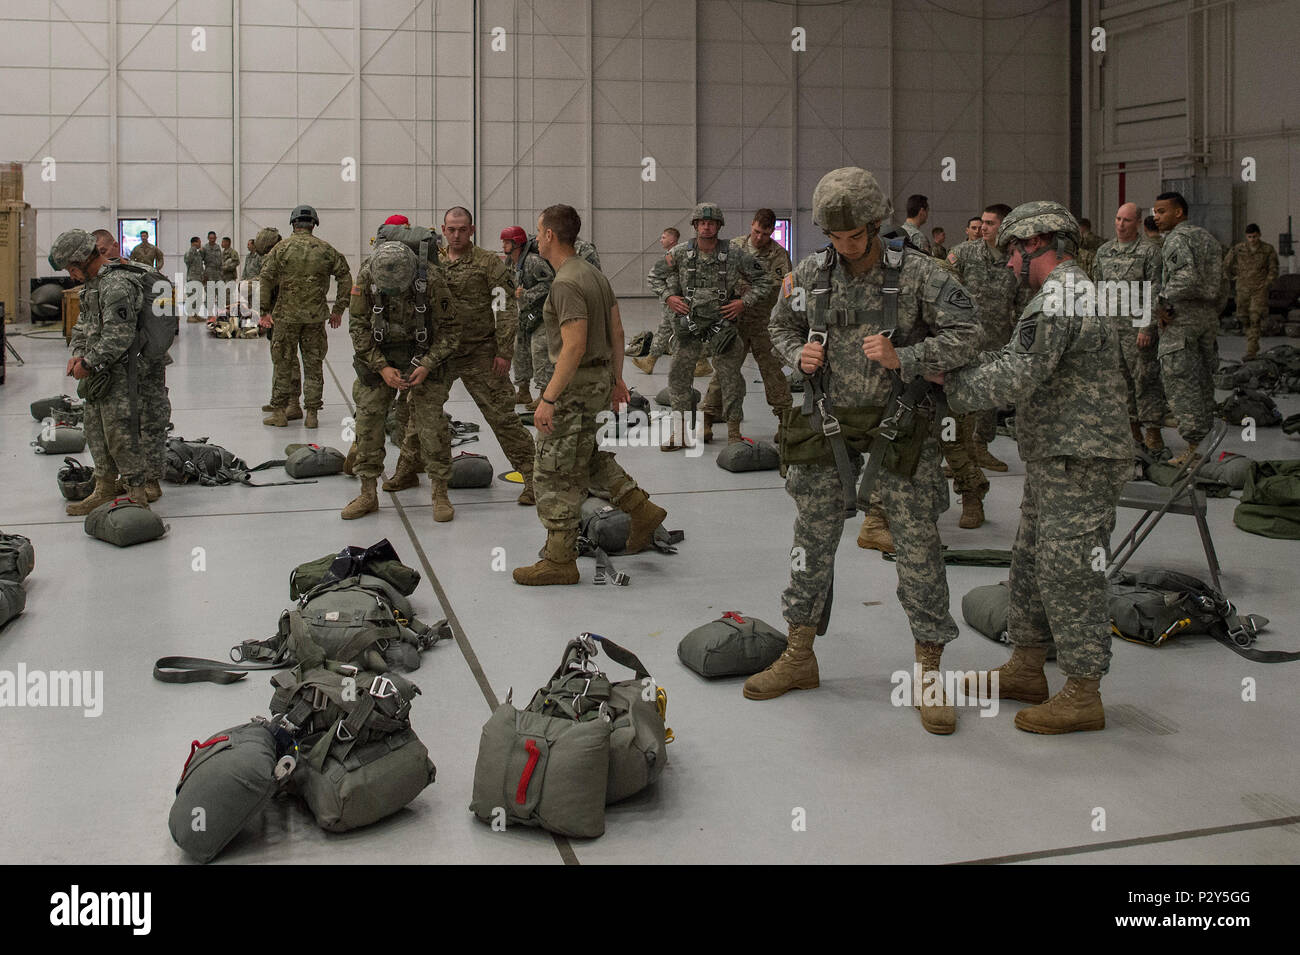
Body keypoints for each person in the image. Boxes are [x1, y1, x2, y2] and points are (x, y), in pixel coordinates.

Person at [749, 167, 981, 736]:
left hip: (898, 429)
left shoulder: (923, 274)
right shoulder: (809, 272)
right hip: (824, 431)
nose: (845, 247)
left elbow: (969, 334)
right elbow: (778, 326)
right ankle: (800, 654)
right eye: (835, 237)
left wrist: (909, 355)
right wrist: (796, 353)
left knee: (920, 548)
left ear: (875, 224)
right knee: (811, 544)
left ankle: (930, 669)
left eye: (855, 237)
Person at [941, 201, 1130, 734]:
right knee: (1029, 563)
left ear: (1036, 245)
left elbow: (1015, 377)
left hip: (1082, 458)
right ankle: (1027, 667)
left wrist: (947, 384)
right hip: (1058, 455)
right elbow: (1013, 362)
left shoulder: (1061, 298)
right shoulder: (1063, 293)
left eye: (1011, 253)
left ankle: (1083, 691)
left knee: (1071, 572)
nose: (1005, 266)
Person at [512, 204, 668, 585]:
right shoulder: (594, 275)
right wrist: (616, 379)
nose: (536, 238)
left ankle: (560, 560)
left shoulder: (566, 282)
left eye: (539, 231)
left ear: (549, 234)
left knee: (553, 471)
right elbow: (617, 331)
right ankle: (641, 509)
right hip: (597, 382)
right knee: (586, 457)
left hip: (574, 387)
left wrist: (548, 398)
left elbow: (574, 345)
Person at [386, 207, 537, 517]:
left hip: (478, 351)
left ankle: (532, 476)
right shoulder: (430, 260)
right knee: (418, 412)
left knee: (501, 416)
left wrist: (504, 352)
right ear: (444, 228)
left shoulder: (487, 265)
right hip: (438, 354)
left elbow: (506, 307)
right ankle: (408, 469)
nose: (456, 235)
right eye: (451, 229)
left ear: (472, 230)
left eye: (462, 229)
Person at [341, 231, 459, 521]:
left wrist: (428, 364)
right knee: (368, 419)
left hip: (423, 356)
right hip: (380, 357)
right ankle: (368, 492)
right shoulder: (367, 277)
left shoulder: (431, 279)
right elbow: (357, 327)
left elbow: (451, 331)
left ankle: (440, 492)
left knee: (432, 423)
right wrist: (381, 367)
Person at [49, 229, 154, 513]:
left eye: (71, 268)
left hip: (120, 374)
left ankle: (135, 492)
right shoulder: (92, 286)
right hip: (98, 373)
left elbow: (119, 335)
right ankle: (105, 486)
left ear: (81, 260)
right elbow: (82, 326)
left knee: (121, 434)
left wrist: (89, 362)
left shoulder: (117, 284)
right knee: (96, 431)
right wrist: (78, 354)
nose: (71, 274)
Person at [654, 203, 773, 449]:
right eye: (702, 223)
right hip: (690, 325)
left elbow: (765, 280)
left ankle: (733, 432)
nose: (706, 227)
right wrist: (669, 296)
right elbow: (654, 276)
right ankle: (680, 433)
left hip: (723, 326)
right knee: (678, 378)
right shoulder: (679, 253)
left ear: (718, 226)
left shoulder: (734, 254)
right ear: (696, 225)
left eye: (711, 223)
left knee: (731, 379)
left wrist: (743, 302)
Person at [939, 202, 1019, 528]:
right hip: (958, 348)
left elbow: (1024, 304)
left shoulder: (1016, 260)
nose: (984, 228)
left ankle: (972, 493)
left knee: (974, 416)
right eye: (982, 223)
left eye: (990, 223)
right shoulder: (964, 254)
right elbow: (941, 286)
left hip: (996, 345)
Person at [698, 208, 793, 442]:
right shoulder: (734, 247)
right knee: (724, 370)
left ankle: (787, 422)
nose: (759, 237)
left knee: (772, 373)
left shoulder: (778, 255)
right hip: (734, 322)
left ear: (772, 232)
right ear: (752, 225)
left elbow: (782, 287)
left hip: (763, 324)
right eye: (756, 231)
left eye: (765, 234)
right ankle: (708, 419)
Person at [91, 228, 171, 503]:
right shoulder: (104, 278)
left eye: (103, 251)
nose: (101, 257)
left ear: (114, 246)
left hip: (146, 358)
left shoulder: (136, 274)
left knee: (150, 417)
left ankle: (151, 481)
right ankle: (127, 477)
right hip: (124, 361)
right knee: (125, 419)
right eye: (96, 253)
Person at [258, 205, 352, 430]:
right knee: (313, 365)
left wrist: (264, 311)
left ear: (293, 224)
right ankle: (311, 415)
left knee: (282, 364)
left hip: (285, 319)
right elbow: (345, 277)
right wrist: (338, 309)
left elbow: (266, 278)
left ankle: (280, 413)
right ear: (314, 224)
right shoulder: (326, 249)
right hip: (315, 319)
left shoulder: (281, 248)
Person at [1150, 191, 1223, 466]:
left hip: (1181, 320)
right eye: (1155, 212)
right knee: (1203, 381)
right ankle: (1203, 446)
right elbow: (1222, 283)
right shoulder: (1208, 238)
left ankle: (1192, 451)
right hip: (1207, 318)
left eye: (1162, 212)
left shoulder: (1176, 239)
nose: (1156, 217)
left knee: (1181, 383)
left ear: (1178, 212)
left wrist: (1161, 302)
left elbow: (1186, 277)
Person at [1092, 202, 1166, 450]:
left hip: (1137, 328)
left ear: (1137, 222)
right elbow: (1097, 289)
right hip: (1112, 327)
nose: (1120, 224)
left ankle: (1153, 431)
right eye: (1118, 219)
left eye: (1126, 220)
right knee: (1120, 381)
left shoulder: (1149, 252)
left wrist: (1147, 326)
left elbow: (1155, 290)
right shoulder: (1104, 251)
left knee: (1145, 379)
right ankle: (1132, 429)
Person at [504, 225, 550, 408]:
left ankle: (544, 394)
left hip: (541, 314)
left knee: (539, 352)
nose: (503, 245)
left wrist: (526, 294)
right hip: (523, 313)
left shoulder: (533, 261)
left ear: (516, 243)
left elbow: (550, 284)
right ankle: (523, 391)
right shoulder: (510, 262)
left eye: (507, 242)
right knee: (519, 350)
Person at [1223, 223, 1279, 359]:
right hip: (1242, 288)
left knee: (1255, 317)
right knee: (1243, 317)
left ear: (1259, 235)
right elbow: (1226, 264)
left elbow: (1274, 268)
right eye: (1250, 237)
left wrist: (1267, 283)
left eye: (1254, 236)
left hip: (1259, 289)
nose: (1252, 239)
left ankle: (1251, 350)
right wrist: (1231, 277)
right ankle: (1251, 339)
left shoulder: (1267, 249)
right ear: (1246, 237)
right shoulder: (1239, 249)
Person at [183, 236, 205, 321]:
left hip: (198, 278)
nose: (200, 244)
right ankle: (190, 316)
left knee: (198, 298)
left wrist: (203, 277)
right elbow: (188, 260)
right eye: (199, 242)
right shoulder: (189, 252)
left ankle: (196, 314)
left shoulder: (198, 254)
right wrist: (193, 248)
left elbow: (200, 266)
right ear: (194, 243)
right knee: (191, 298)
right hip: (192, 278)